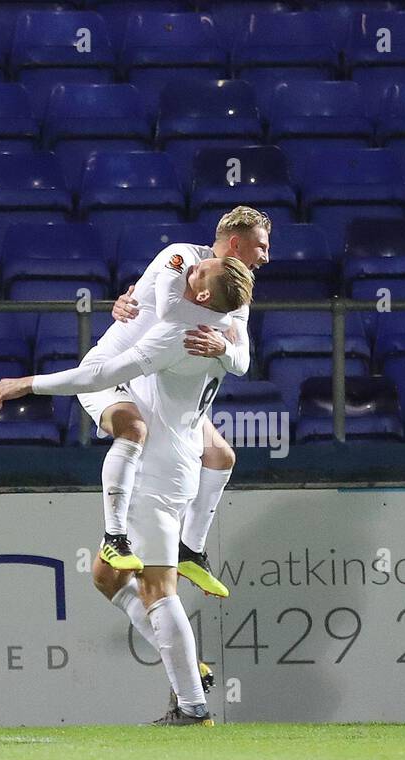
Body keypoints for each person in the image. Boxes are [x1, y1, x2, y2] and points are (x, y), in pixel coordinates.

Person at [0, 257, 255, 724]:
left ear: (201, 297)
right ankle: (187, 666)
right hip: (180, 465)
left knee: (158, 589)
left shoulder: (180, 333)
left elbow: (97, 377)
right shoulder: (225, 330)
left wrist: (28, 384)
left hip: (153, 473)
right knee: (106, 577)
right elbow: (236, 356)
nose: (196, 265)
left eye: (203, 270)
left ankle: (193, 707)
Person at [88, 206, 271, 597]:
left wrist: (223, 344)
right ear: (235, 244)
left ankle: (191, 550)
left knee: (221, 456)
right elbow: (164, 307)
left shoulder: (235, 291)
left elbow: (241, 361)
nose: (266, 257)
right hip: (123, 377)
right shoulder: (185, 258)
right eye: (261, 246)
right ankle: (115, 536)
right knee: (134, 433)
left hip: (162, 383)